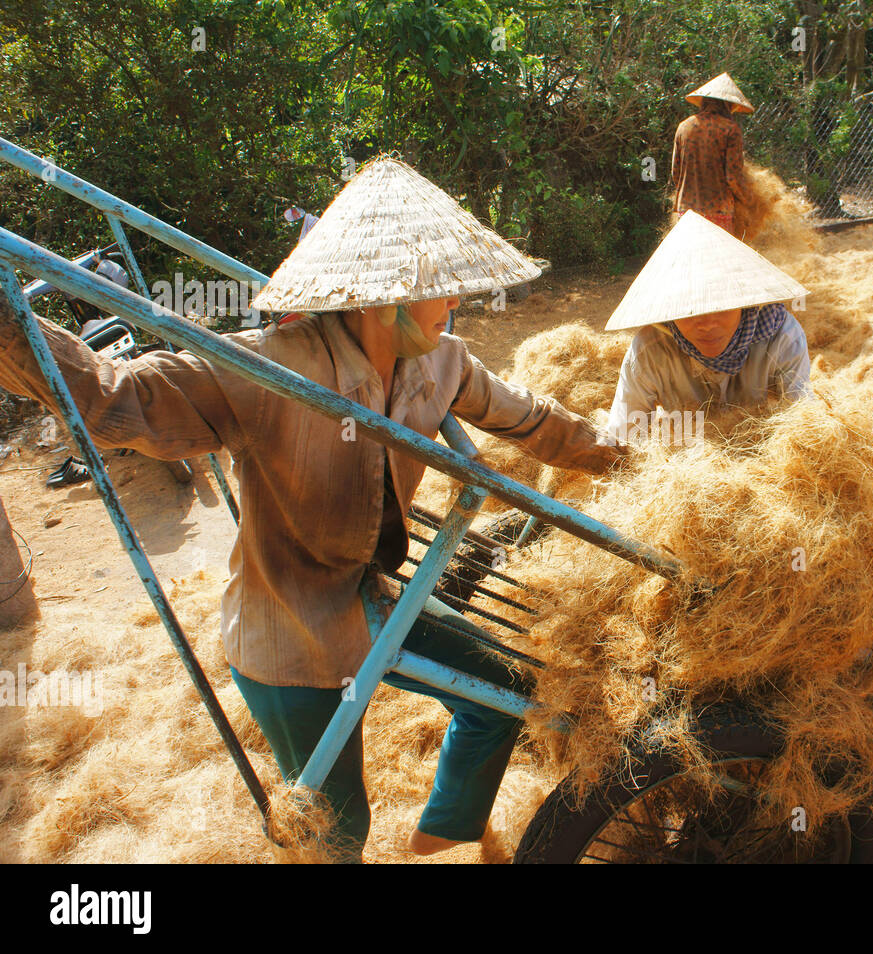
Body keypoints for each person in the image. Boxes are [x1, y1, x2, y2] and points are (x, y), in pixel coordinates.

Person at [0, 156, 625, 861]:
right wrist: (14, 331)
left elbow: (537, 422)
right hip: (287, 627)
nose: (454, 306)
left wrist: (624, 459)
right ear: (379, 297)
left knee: (502, 690)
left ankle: (443, 838)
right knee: (337, 827)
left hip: (375, 591)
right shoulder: (272, 368)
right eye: (439, 292)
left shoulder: (443, 363)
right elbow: (122, 400)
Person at [605, 210, 811, 445]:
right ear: (670, 312)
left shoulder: (783, 339)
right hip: (684, 468)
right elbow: (624, 438)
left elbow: (804, 429)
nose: (706, 325)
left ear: (744, 303)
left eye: (721, 307)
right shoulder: (649, 352)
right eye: (688, 311)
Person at [671, 72, 754, 235]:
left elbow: (676, 174)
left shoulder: (684, 127)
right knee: (717, 259)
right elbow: (732, 178)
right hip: (719, 211)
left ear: (704, 102)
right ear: (727, 105)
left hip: (687, 212)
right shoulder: (730, 129)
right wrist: (749, 201)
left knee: (691, 258)